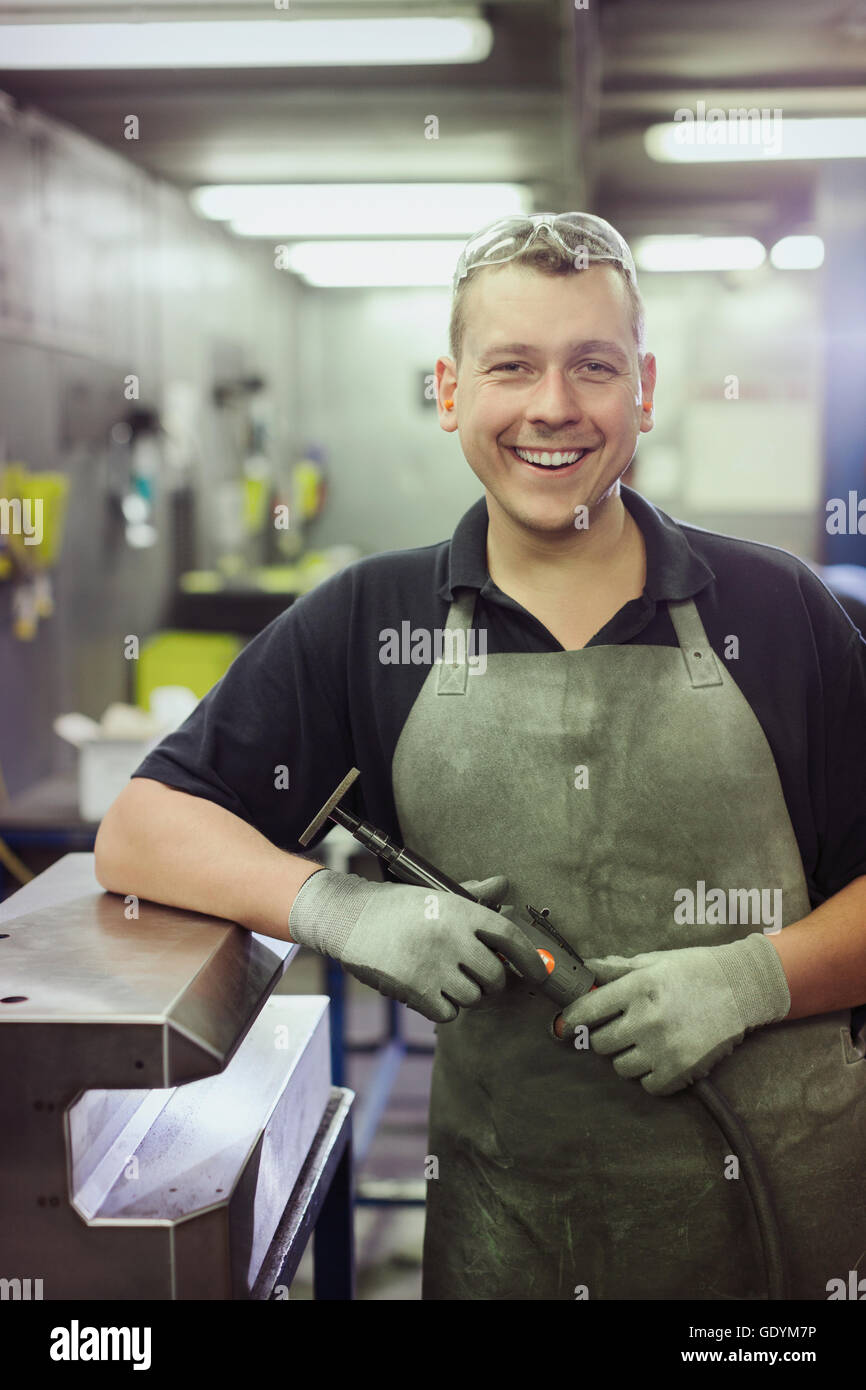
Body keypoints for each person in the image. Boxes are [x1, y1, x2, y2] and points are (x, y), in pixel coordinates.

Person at [95, 212, 866, 1301]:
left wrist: (751, 977)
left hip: (790, 1235)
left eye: (592, 367)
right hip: (514, 1239)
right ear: (449, 390)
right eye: (510, 366)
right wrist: (342, 909)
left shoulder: (775, 610)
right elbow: (141, 829)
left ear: (639, 388)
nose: (552, 407)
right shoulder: (368, 619)